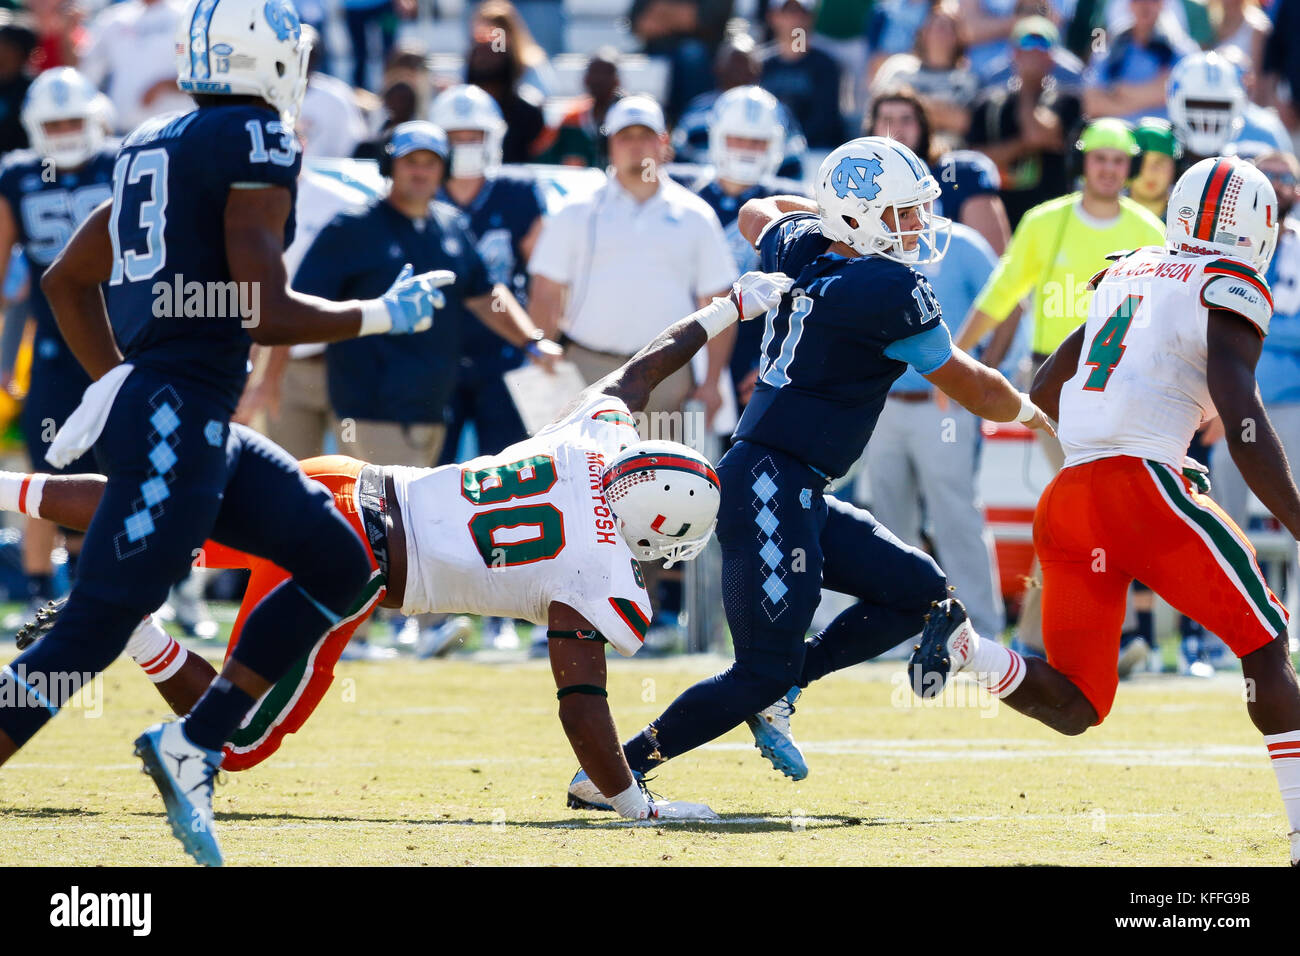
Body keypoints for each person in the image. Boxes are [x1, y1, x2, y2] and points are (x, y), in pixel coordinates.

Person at [8, 270, 797, 825]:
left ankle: (9, 492)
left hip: (344, 479)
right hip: (357, 560)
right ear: (654, 532)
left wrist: (727, 306)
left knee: (172, 521)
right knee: (240, 741)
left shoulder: (596, 435)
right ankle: (139, 628)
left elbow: (644, 366)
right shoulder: (599, 573)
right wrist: (632, 803)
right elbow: (581, 707)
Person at [0, 0, 454, 868]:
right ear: (272, 59)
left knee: (340, 562)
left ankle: (193, 745)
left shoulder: (151, 141)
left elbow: (66, 280)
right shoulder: (255, 135)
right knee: (91, 631)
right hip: (179, 412)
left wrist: (116, 379)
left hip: (181, 408)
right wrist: (378, 315)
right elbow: (260, 306)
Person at [565, 135, 1054, 799]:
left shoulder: (804, 245)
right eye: (901, 213)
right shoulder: (888, 287)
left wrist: (816, 217)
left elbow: (754, 212)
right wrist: (1032, 414)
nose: (916, 227)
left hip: (790, 481)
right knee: (758, 669)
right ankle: (614, 774)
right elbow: (967, 384)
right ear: (859, 216)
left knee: (919, 594)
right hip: (770, 479)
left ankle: (789, 683)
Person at [911, 156, 1300, 866]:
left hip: (1069, 500)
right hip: (1143, 486)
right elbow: (1240, 410)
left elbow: (1048, 384)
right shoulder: (1229, 281)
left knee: (1079, 702)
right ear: (1259, 227)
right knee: (1265, 642)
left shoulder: (1130, 269)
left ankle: (968, 650)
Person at [955, 119, 1166, 654]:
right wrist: (952, 359)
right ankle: (1092, 637)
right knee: (1086, 503)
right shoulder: (1045, 222)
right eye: (1100, 158)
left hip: (1126, 387)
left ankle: (1046, 637)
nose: (1109, 169)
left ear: (1129, 168)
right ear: (1083, 162)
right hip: (1053, 385)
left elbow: (1166, 316)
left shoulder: (1149, 232)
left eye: (1119, 161)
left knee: (1082, 510)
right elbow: (1002, 293)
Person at [297, 121, 557, 470]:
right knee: (383, 518)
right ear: (389, 166)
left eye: (430, 162)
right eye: (410, 161)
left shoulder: (451, 224)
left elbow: (483, 295)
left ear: (445, 169)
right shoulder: (352, 227)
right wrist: (270, 382)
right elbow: (302, 304)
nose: (420, 171)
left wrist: (531, 341)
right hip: (371, 411)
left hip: (432, 409)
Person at [529, 96, 739, 430]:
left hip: (667, 372)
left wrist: (712, 381)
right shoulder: (576, 211)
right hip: (587, 368)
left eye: (645, 136)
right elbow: (546, 291)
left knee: (661, 476)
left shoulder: (696, 215)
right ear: (609, 144)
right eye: (625, 137)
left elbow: (719, 303)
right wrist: (541, 356)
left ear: (663, 142)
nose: (636, 146)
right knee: (585, 475)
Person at [431, 84, 547, 651]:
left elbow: (542, 273)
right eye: (454, 136)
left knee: (511, 488)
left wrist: (539, 342)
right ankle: (425, 615)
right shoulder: (420, 193)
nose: (464, 146)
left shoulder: (520, 193)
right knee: (426, 488)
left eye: (474, 134)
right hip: (437, 361)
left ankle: (509, 614)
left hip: (504, 361)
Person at [0, 69, 115, 618]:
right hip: (52, 345)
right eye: (55, 122)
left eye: (75, 119)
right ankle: (40, 592)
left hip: (122, 343)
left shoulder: (124, 163)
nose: (67, 130)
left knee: (127, 467)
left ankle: (132, 588)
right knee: (48, 472)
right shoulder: (18, 175)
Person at [863, 220, 1006, 643]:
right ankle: (898, 632)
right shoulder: (871, 243)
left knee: (956, 517)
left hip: (943, 406)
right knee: (888, 523)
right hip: (882, 402)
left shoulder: (962, 244)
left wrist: (984, 381)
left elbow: (1010, 307)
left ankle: (981, 630)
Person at [1209, 151, 1300, 648]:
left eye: (1286, 178)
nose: (1278, 186)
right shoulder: (1229, 249)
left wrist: (1260, 338)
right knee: (1223, 518)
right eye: (1269, 177)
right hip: (1232, 405)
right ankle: (1225, 630)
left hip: (1290, 405)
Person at [688, 85, 805, 412]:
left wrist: (772, 363)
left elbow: (802, 296)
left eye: (757, 141)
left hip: (758, 350)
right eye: (738, 138)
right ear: (717, 138)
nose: (746, 149)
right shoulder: (687, 199)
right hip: (689, 346)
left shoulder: (790, 204)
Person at [966, 16, 1083, 228]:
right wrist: (1024, 146)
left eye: (1042, 44)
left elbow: (1038, 134)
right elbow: (978, 161)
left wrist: (1027, 86)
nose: (1034, 52)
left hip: (1052, 218)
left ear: (1053, 57)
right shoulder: (990, 103)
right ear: (1014, 53)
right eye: (1026, 44)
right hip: (1000, 216)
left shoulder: (1067, 100)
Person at [673, 34, 807, 180]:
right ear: (717, 68)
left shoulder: (777, 111)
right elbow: (679, 157)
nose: (738, 70)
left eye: (744, 64)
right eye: (733, 63)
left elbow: (794, 166)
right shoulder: (697, 109)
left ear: (757, 69)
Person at [870, 0, 979, 140]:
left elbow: (962, 122)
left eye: (948, 27)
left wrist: (907, 104)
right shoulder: (897, 68)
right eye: (934, 25)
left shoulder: (967, 80)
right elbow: (878, 115)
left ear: (958, 37)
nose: (940, 32)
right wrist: (940, 113)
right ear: (922, 32)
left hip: (946, 155)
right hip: (896, 150)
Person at [78, 0, 192, 134]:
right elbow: (84, 74)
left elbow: (205, 73)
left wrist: (166, 84)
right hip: (125, 134)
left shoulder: (187, 13)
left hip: (178, 131)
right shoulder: (113, 19)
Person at [1167, 50, 1295, 162]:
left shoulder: (1257, 155)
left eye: (1220, 106)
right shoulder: (1159, 157)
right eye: (1195, 103)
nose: (1208, 116)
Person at [1082, 0, 1196, 124]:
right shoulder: (1110, 50)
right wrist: (1154, 92)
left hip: (1163, 137)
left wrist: (1120, 92)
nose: (1144, 6)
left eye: (1152, 1)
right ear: (1129, 4)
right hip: (1118, 138)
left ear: (1162, 4)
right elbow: (1092, 103)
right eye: (1137, 0)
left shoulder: (1181, 50)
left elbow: (1179, 93)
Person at [759, 0, 846, 149]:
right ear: (772, 16)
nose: (795, 19)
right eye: (788, 12)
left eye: (801, 13)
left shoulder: (826, 65)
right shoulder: (759, 65)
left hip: (814, 153)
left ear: (811, 18)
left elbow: (825, 120)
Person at [536, 48, 622, 168]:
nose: (599, 79)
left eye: (606, 73)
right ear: (585, 79)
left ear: (617, 80)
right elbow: (544, 159)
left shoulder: (628, 121)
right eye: (595, 73)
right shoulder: (570, 120)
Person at [1127, 116, 1181, 220]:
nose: (1150, 172)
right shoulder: (1100, 215)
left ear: (1176, 167)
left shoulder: (1191, 224)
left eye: (1160, 161)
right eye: (1141, 161)